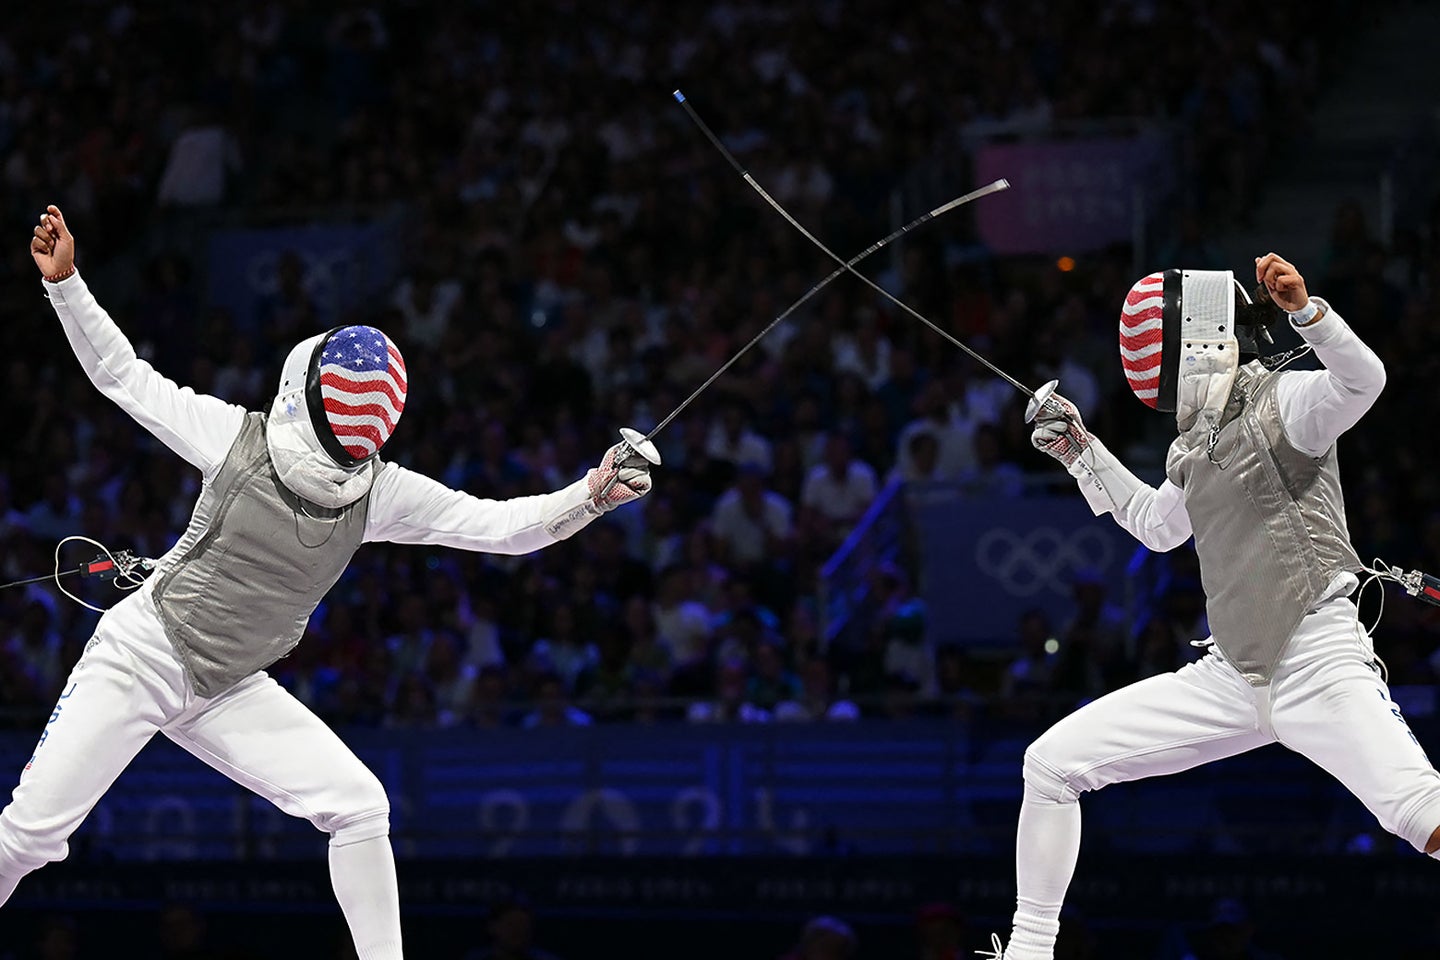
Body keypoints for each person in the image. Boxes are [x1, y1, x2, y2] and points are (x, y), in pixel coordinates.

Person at [2, 207, 654, 960]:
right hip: (142, 658)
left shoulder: (240, 437)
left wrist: (67, 284)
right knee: (31, 833)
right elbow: (508, 529)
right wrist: (595, 494)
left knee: (354, 806)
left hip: (226, 686)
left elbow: (122, 375)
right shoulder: (377, 491)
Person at [987, 254, 1440, 959]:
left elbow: (1364, 380)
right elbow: (1158, 527)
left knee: (1425, 818)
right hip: (1231, 677)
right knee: (1051, 765)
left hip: (1317, 661)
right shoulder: (1193, 448)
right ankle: (1027, 950)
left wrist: (1308, 314)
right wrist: (1080, 450)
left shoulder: (1285, 404)